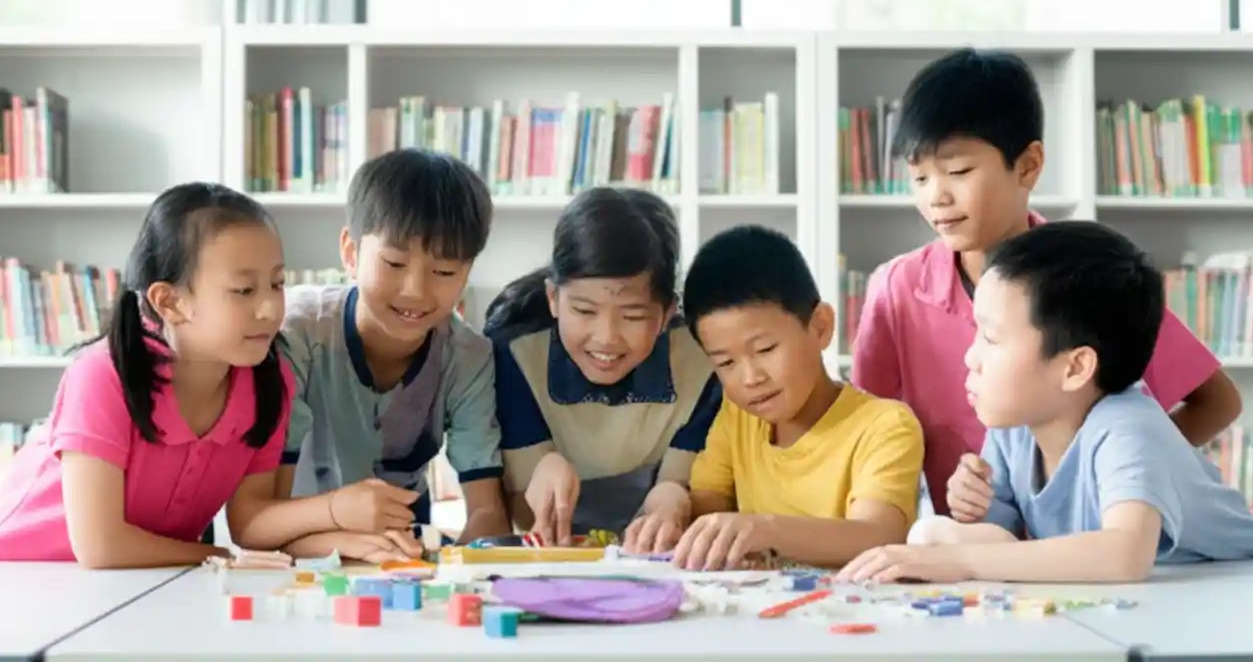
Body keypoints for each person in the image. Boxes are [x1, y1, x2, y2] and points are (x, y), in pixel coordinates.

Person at [851, 48, 1241, 517]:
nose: (937, 196)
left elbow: (1216, 400)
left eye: (958, 171)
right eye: (919, 177)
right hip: (967, 553)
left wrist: (1115, 478)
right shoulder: (896, 290)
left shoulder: (1086, 274)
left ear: (1029, 165)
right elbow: (865, 436)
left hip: (1086, 549)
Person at [838, 221, 1253, 584]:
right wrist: (971, 509)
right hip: (1155, 599)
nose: (970, 357)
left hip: (1245, 588)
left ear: (1074, 368)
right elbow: (1003, 539)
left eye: (991, 338)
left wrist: (962, 561)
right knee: (929, 533)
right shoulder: (1015, 425)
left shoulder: (1129, 426)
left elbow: (1124, 555)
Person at [0, 183, 417, 566]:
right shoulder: (103, 375)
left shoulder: (270, 384)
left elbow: (251, 526)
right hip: (26, 582)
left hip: (140, 586)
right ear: (171, 301)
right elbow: (100, 546)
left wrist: (341, 539)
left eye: (276, 284)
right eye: (244, 291)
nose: (271, 309)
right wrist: (220, 557)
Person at [275, 149, 509, 553]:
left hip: (401, 557)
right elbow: (264, 516)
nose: (415, 291)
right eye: (395, 264)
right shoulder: (297, 335)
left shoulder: (468, 357)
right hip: (296, 550)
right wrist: (345, 540)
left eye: (444, 273)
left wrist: (471, 554)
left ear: (467, 274)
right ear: (350, 252)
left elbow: (487, 511)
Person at [670, 225, 924, 571]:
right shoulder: (738, 416)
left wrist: (765, 529)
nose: (751, 378)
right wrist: (671, 504)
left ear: (820, 326)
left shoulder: (884, 425)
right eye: (726, 363)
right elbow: (708, 507)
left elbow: (878, 536)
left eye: (765, 349)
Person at [484, 186, 721, 549]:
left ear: (667, 313)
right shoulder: (512, 355)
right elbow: (523, 510)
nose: (606, 338)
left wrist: (672, 501)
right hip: (553, 558)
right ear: (553, 298)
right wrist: (541, 470)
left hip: (659, 558)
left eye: (633, 315)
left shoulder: (704, 362)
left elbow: (683, 486)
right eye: (583, 311)